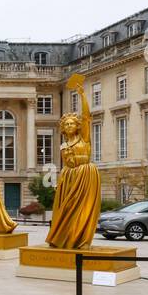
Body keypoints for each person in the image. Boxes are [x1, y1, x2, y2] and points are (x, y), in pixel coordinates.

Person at [45, 80, 100, 250]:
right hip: (68, 175)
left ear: (77, 126)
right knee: (65, 207)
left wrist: (82, 95)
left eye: (71, 123)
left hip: (85, 173)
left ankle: (81, 239)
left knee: (84, 207)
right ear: (63, 127)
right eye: (66, 124)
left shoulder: (84, 138)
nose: (69, 125)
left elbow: (86, 117)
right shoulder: (63, 144)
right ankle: (63, 237)